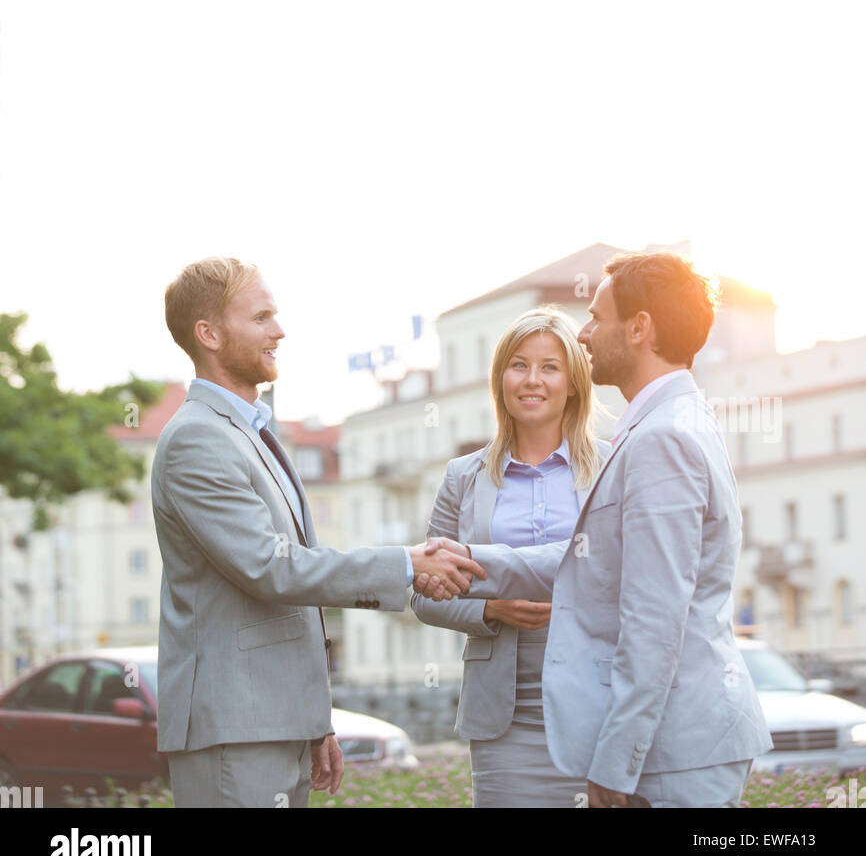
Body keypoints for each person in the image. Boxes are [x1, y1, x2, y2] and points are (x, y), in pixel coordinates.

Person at [423, 253, 772, 809]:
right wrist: (469, 561)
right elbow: (595, 560)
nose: (584, 332)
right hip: (609, 729)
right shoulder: (667, 424)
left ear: (639, 328)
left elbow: (654, 617)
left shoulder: (660, 440)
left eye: (595, 316)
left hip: (673, 740)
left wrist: (615, 761)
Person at [151, 256, 483, 808]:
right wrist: (406, 564)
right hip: (236, 730)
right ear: (208, 333)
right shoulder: (197, 440)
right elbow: (272, 568)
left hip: (273, 723)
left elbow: (291, 588)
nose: (278, 331)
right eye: (260, 318)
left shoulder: (248, 432)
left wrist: (313, 719)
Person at [412, 307, 610, 807]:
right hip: (505, 715)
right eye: (518, 365)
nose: (532, 380)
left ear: (573, 382)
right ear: (500, 379)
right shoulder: (463, 476)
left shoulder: (614, 466)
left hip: (600, 705)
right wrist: (489, 610)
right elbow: (424, 593)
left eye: (550, 367)